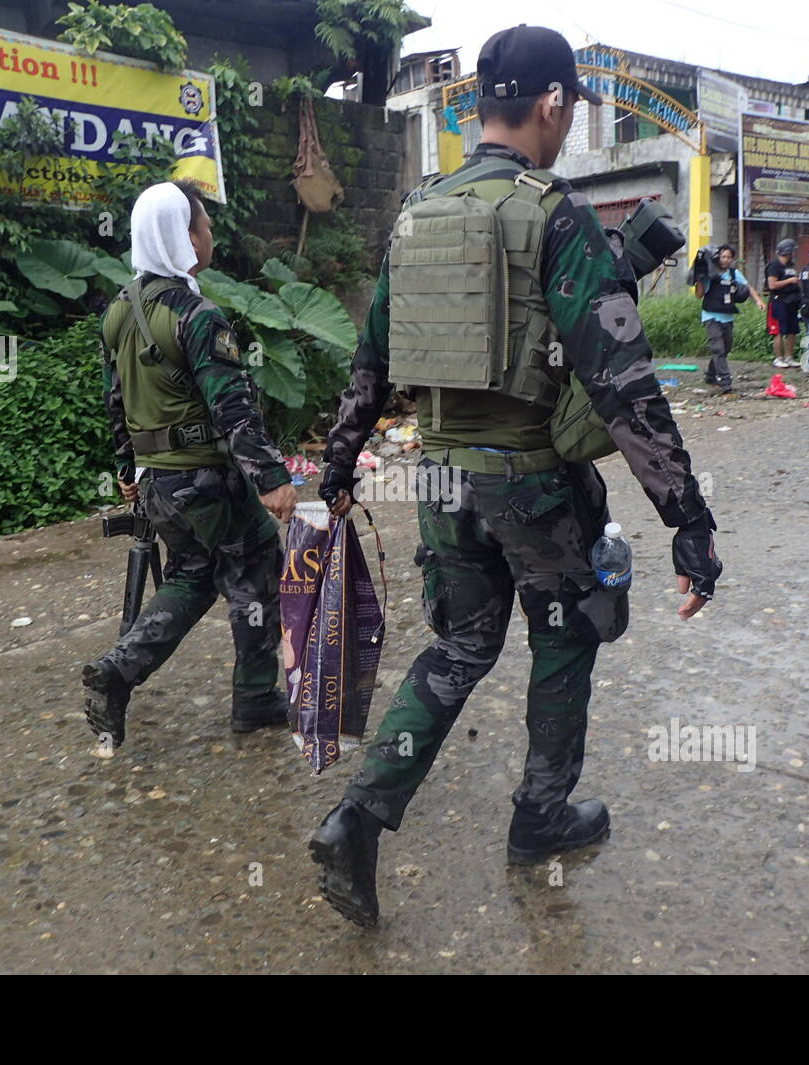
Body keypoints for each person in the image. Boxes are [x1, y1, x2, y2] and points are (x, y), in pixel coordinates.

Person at [308, 24, 721, 928]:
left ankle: (357, 814)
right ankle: (539, 818)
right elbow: (623, 384)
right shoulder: (553, 213)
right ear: (551, 104)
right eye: (569, 107)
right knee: (569, 627)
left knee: (458, 646)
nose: (568, 123)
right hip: (532, 479)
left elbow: (369, 363)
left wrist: (337, 471)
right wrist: (687, 519)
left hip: (442, 480)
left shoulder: (417, 210)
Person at [82, 181, 298, 747]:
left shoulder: (118, 312)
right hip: (209, 482)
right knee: (255, 572)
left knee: (193, 576)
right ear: (181, 235)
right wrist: (271, 478)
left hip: (160, 487)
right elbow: (233, 406)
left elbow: (115, 401)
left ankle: (118, 669)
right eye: (202, 225)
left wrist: (127, 470)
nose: (210, 236)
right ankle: (255, 697)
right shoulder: (197, 315)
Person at [697, 244, 765, 392]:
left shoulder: (734, 274)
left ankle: (710, 375)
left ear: (732, 259)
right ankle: (725, 382)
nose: (725, 260)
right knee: (718, 349)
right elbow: (699, 295)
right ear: (717, 257)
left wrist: (758, 300)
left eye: (728, 257)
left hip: (727, 317)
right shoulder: (710, 274)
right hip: (711, 316)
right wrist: (699, 279)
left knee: (725, 349)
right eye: (723, 256)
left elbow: (748, 287)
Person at [765, 239, 802, 368]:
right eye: (791, 251)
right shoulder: (774, 266)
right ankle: (778, 357)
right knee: (778, 331)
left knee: (792, 330)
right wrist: (790, 281)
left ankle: (789, 356)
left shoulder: (791, 266)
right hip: (778, 301)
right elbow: (772, 284)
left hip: (791, 301)